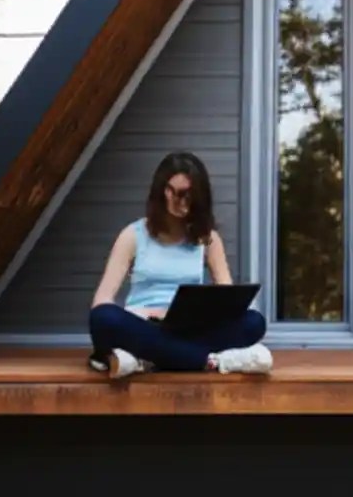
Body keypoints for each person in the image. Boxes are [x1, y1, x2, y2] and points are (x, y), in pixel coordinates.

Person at [88, 152, 272, 378]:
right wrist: (147, 313)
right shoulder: (133, 235)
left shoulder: (208, 239)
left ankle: (149, 358)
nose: (183, 203)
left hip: (189, 329)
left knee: (254, 322)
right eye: (178, 194)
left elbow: (228, 299)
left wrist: (202, 315)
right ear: (163, 191)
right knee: (104, 318)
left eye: (191, 196)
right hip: (144, 324)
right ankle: (209, 360)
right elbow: (101, 301)